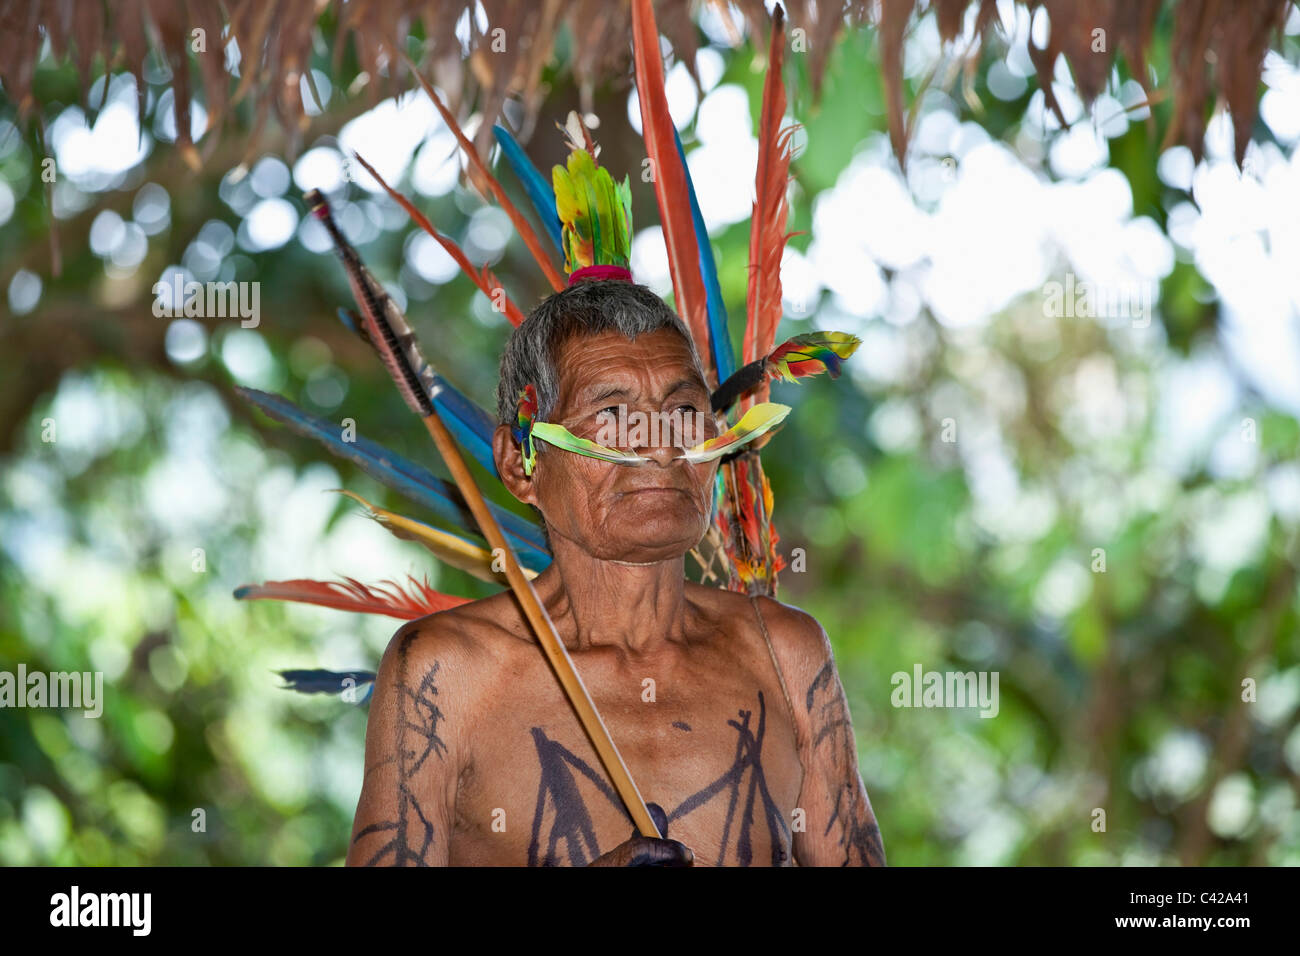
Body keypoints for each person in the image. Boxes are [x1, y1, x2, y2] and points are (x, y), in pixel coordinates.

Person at [346, 278, 884, 867]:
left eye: (683, 412)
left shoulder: (786, 653)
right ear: (520, 464)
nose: (659, 447)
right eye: (613, 415)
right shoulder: (445, 672)